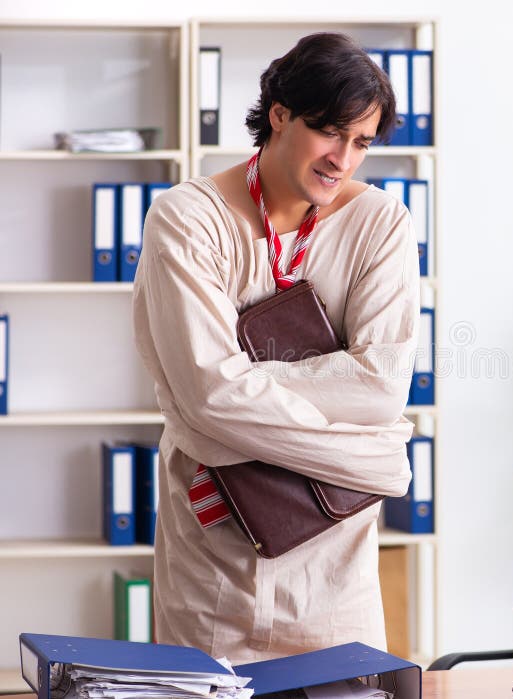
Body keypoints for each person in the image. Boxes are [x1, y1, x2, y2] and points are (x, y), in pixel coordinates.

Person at [132, 32, 420, 662]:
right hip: (214, 566)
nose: (342, 159)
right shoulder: (188, 219)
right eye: (330, 132)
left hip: (336, 572)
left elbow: (380, 388)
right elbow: (208, 399)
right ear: (281, 114)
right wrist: (368, 459)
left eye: (362, 142)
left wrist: (227, 394)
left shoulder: (382, 224)